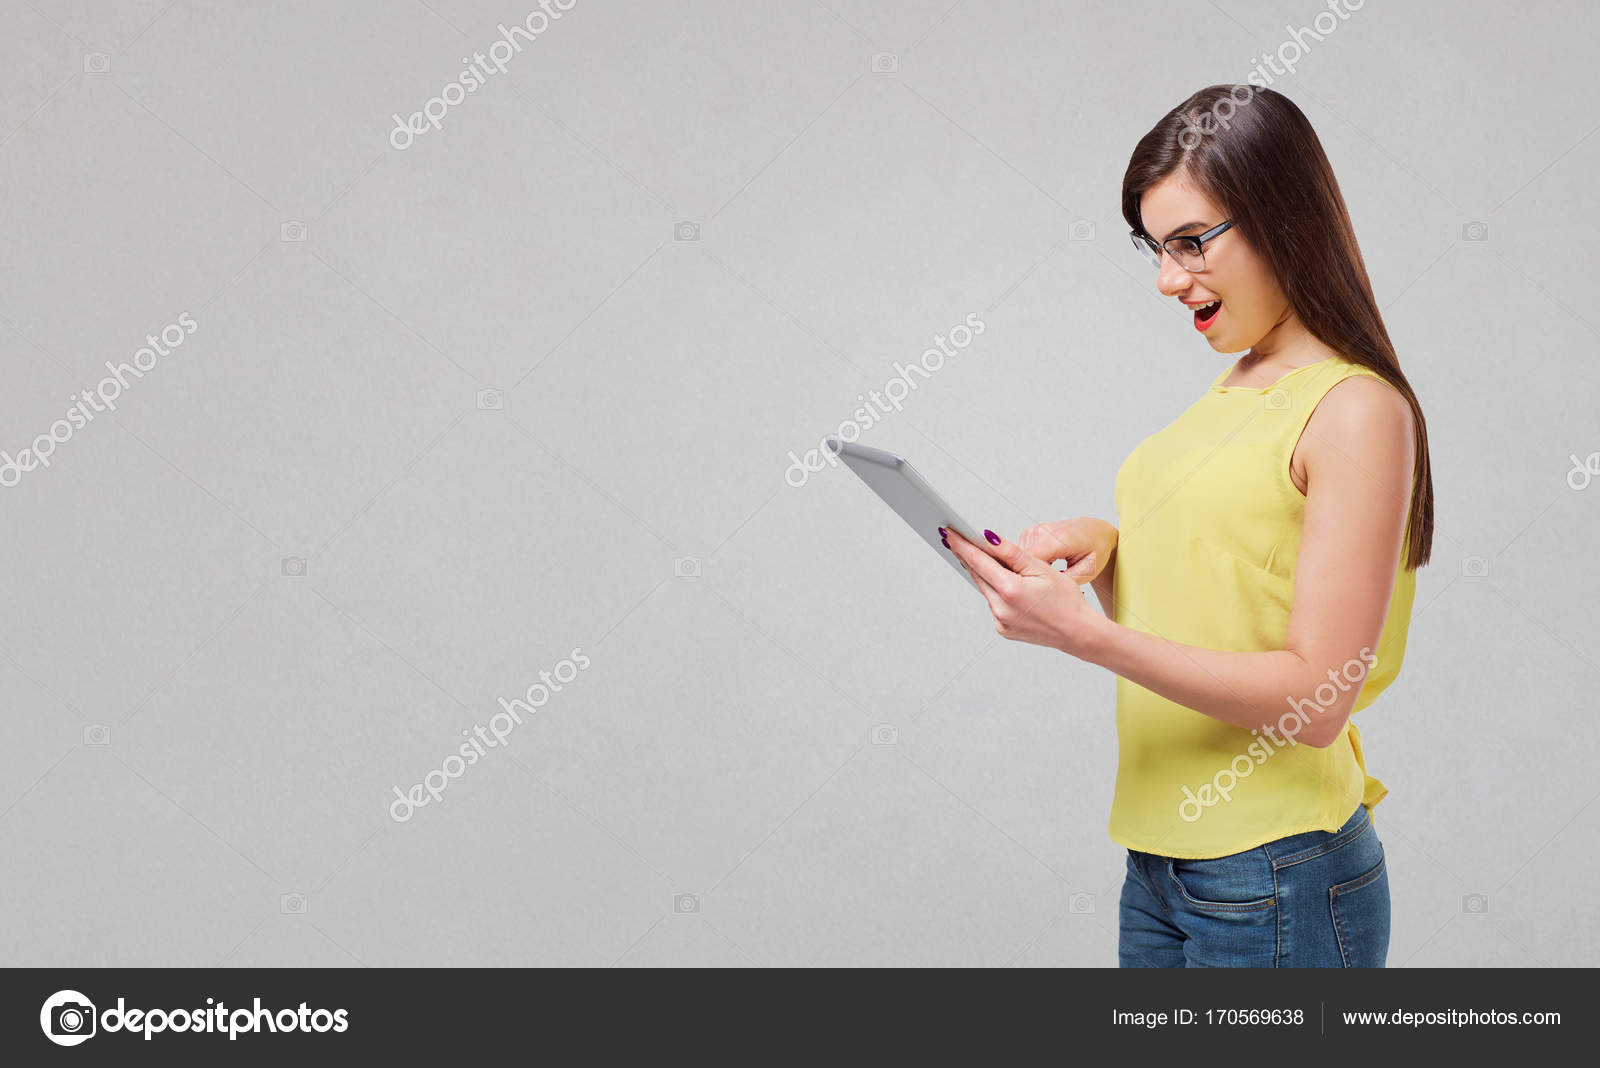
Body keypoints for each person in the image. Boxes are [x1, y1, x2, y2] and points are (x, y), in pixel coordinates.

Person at [941, 85, 1433, 967]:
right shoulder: (1237, 382)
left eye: (1191, 242)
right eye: (1156, 248)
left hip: (1276, 867)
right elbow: (1234, 592)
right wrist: (1111, 556)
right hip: (1162, 863)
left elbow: (1317, 698)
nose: (1169, 280)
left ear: (1282, 218)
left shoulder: (1355, 408)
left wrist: (1083, 637)